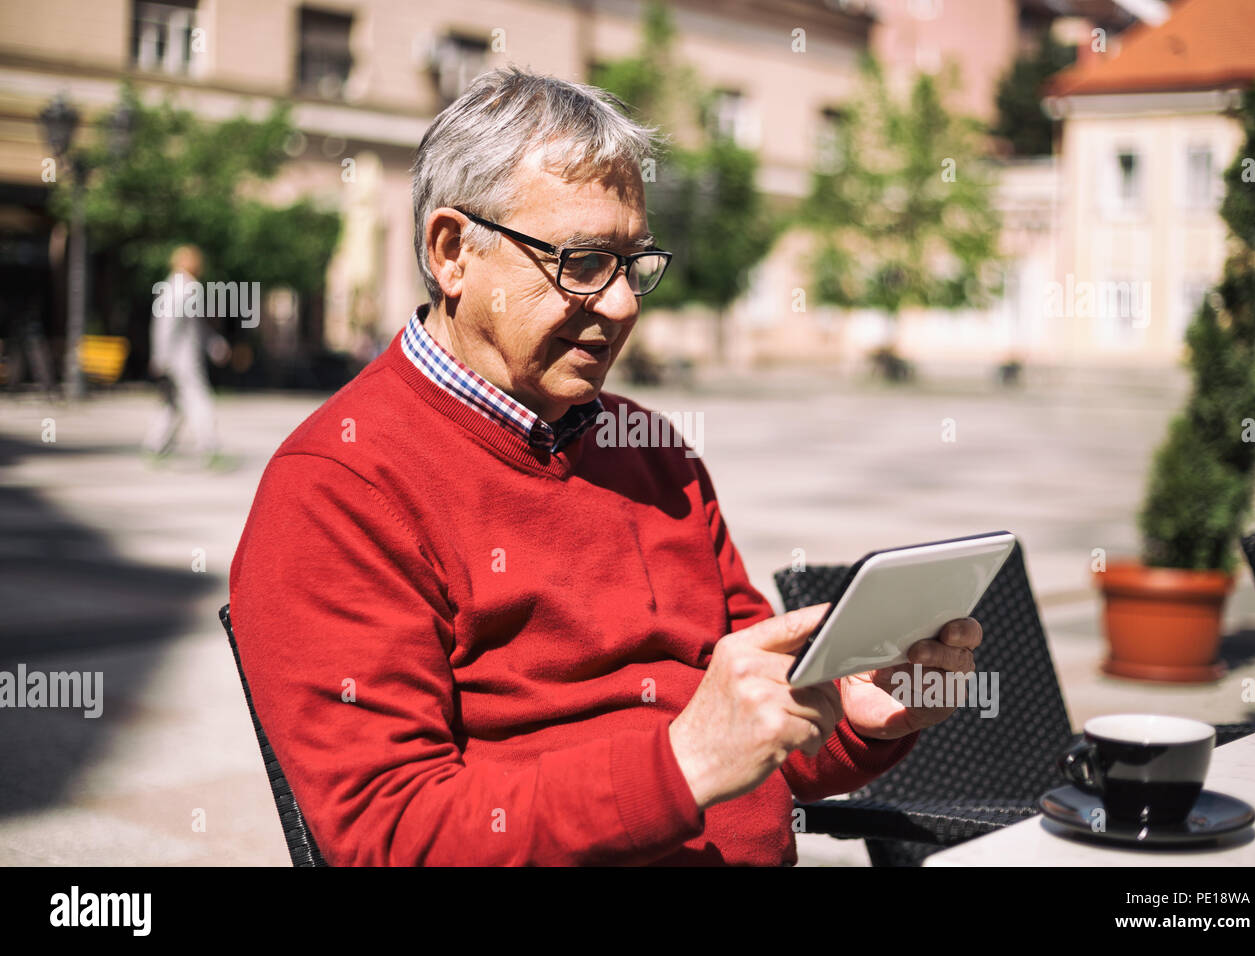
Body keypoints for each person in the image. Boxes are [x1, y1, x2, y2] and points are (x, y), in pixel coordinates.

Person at [228, 67, 982, 866]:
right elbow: (392, 835)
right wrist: (679, 767)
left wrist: (854, 718)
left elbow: (757, 741)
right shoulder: (337, 486)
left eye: (633, 263)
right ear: (452, 253)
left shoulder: (654, 454)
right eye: (584, 262)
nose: (623, 303)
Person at [142, 244, 230, 467]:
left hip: (176, 356)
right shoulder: (185, 287)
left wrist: (213, 346)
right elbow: (167, 326)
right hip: (181, 359)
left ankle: (155, 446)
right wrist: (161, 357)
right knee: (198, 399)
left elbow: (194, 327)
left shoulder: (175, 285)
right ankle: (210, 446)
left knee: (171, 403)